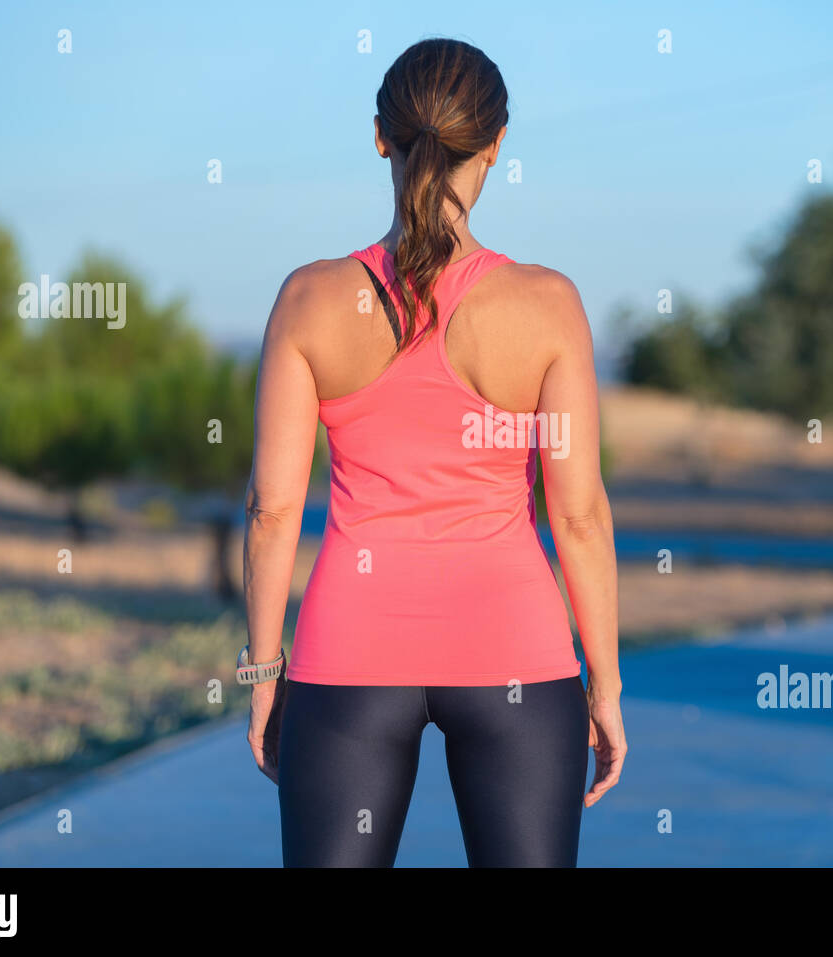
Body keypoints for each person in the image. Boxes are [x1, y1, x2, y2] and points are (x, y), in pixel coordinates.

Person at [241, 37, 623, 867]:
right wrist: (605, 685)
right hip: (516, 659)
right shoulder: (548, 305)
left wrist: (263, 673)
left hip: (348, 660)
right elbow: (580, 516)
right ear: (496, 146)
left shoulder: (308, 299)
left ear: (381, 136)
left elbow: (272, 511)